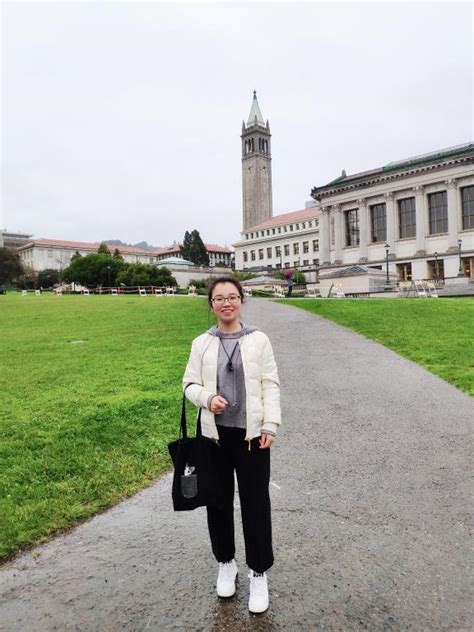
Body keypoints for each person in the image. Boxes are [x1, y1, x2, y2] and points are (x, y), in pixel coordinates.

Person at [182, 275, 281, 614]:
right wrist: (207, 398)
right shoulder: (202, 343)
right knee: (218, 502)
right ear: (211, 304)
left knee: (256, 503)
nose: (226, 303)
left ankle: (258, 572)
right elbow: (188, 384)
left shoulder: (258, 340)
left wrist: (270, 423)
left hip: (252, 437)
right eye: (219, 298)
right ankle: (226, 562)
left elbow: (270, 384)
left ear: (242, 300)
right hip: (214, 437)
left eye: (232, 297)